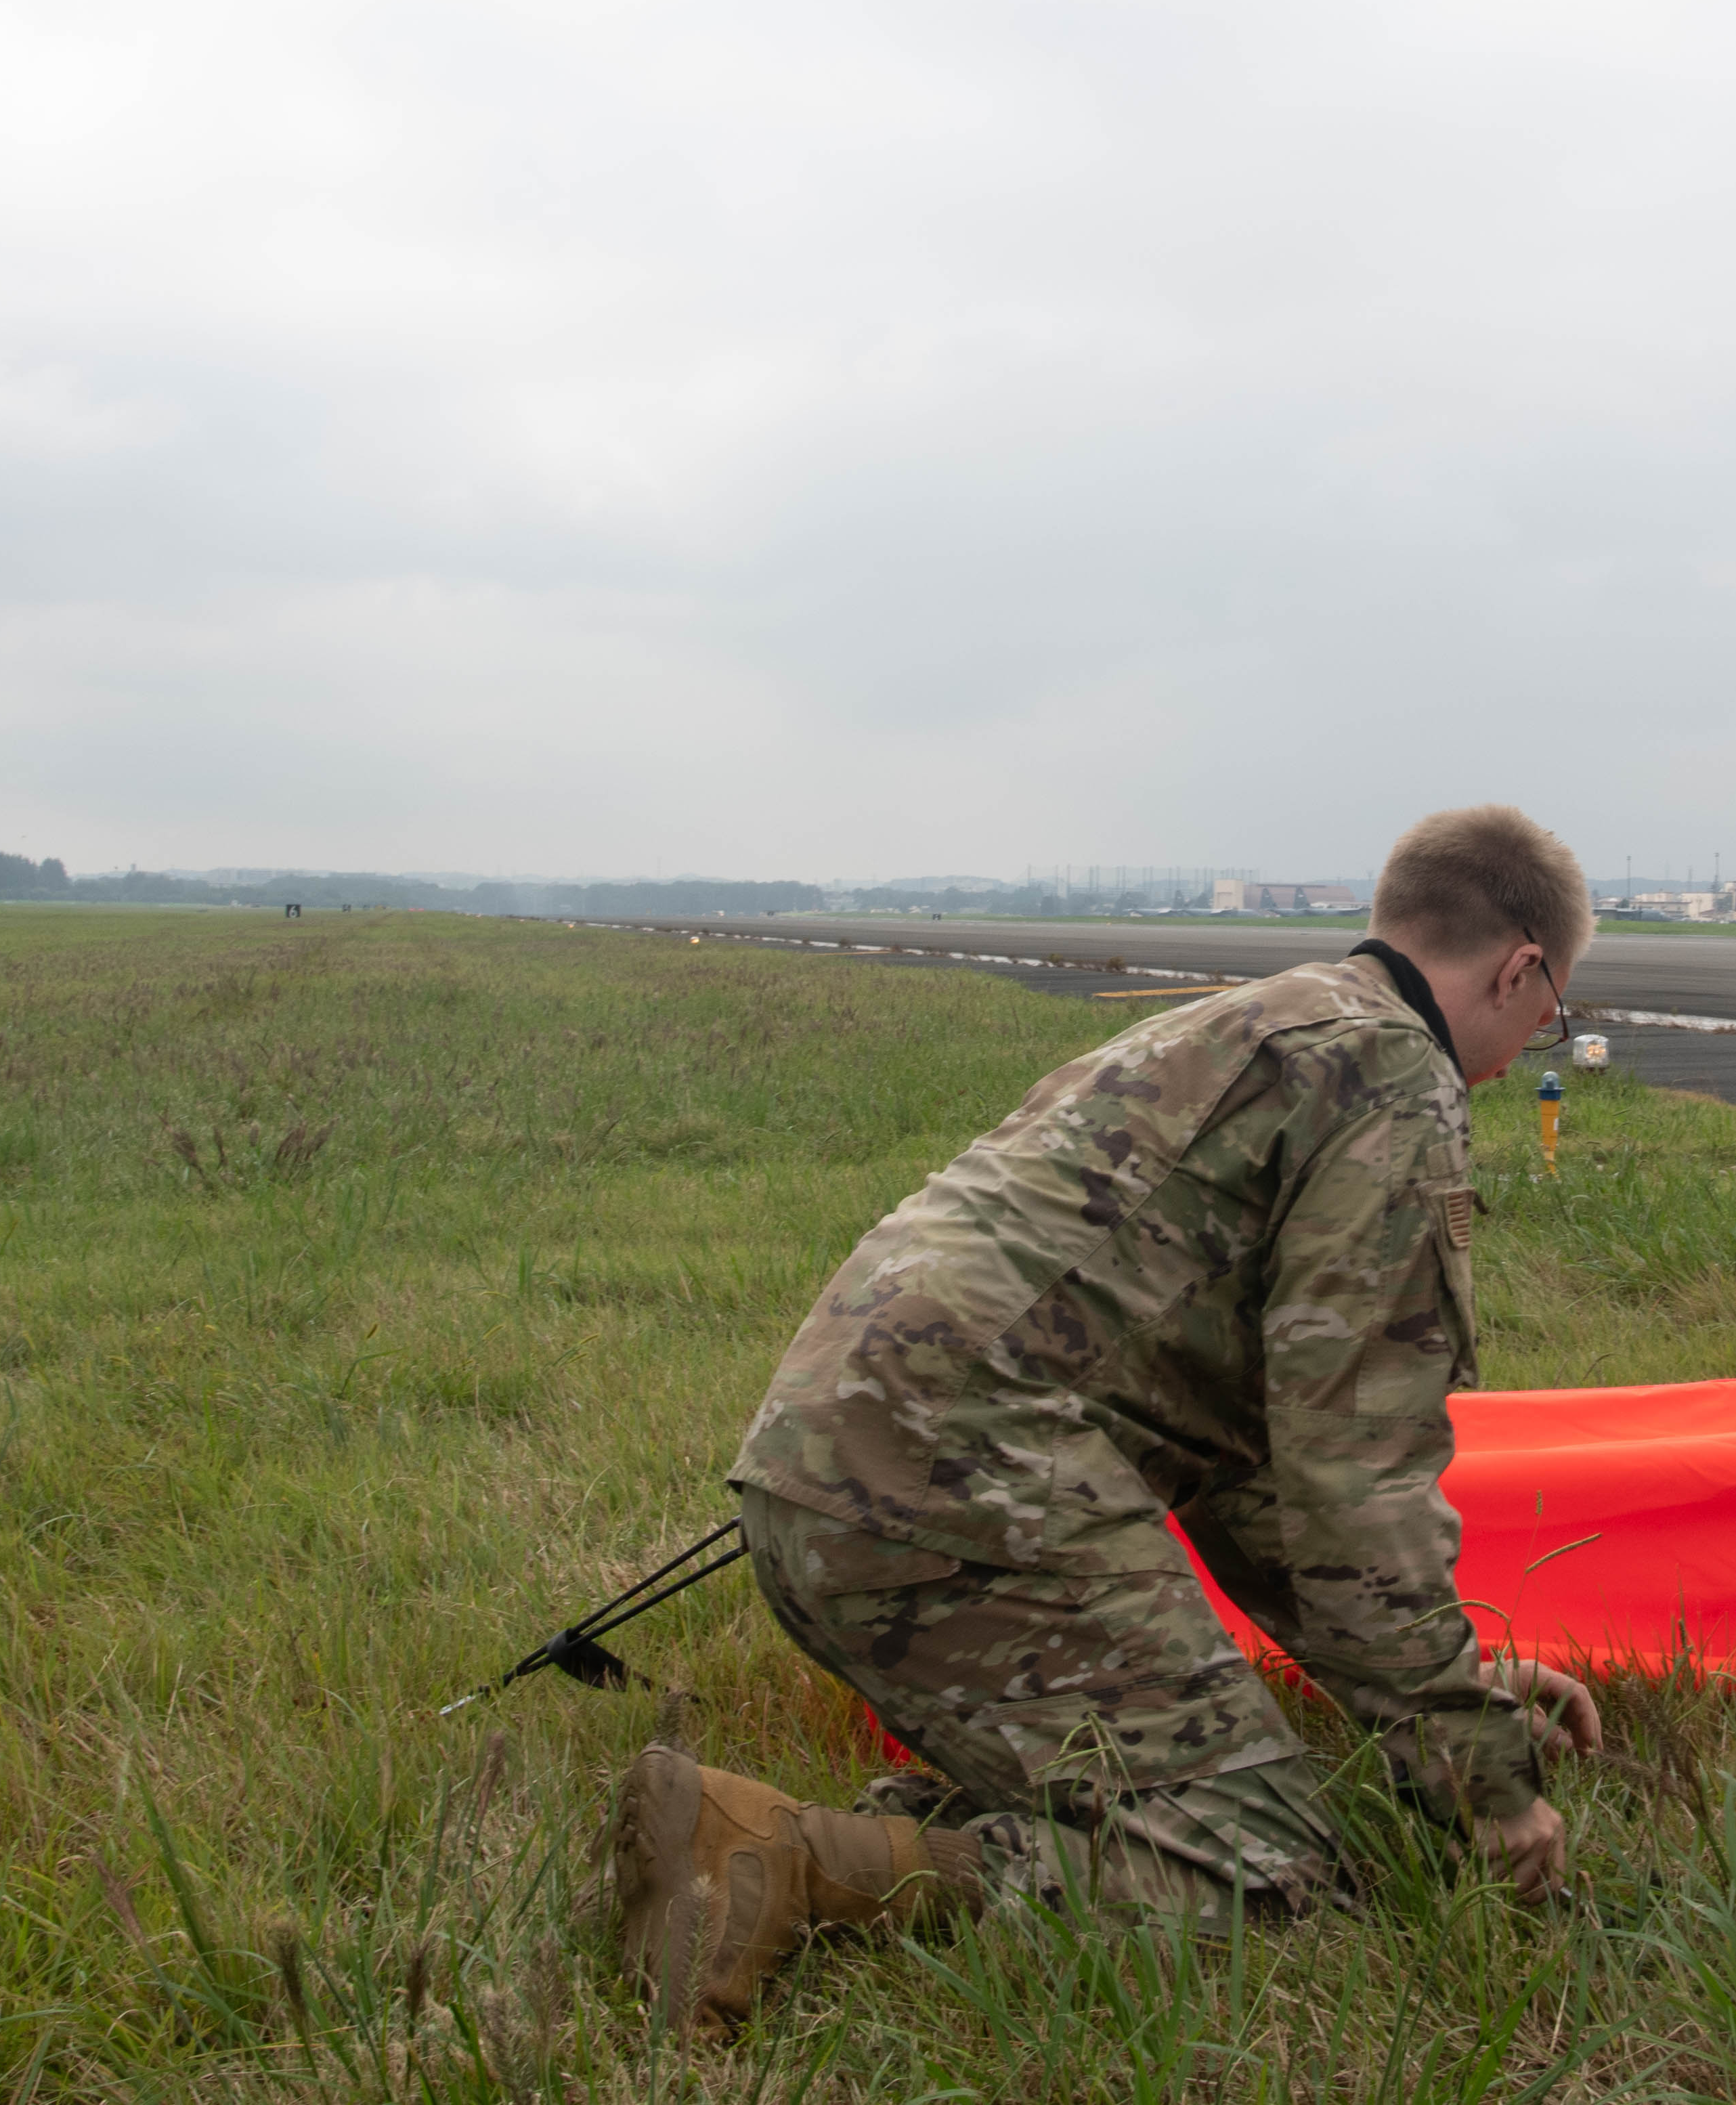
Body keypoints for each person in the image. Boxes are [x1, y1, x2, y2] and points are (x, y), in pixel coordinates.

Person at [612, 805, 1609, 2037]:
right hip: (962, 1490)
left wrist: (1446, 1694)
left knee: (1164, 1802)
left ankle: (823, 1851)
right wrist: (1490, 1787)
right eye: (1549, 1015)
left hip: (825, 1494)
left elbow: (1255, 1477)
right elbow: (1355, 1477)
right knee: (1267, 1870)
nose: (1524, 1054)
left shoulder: (1249, 1026)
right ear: (1521, 970)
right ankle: (787, 1860)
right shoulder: (1394, 1078)